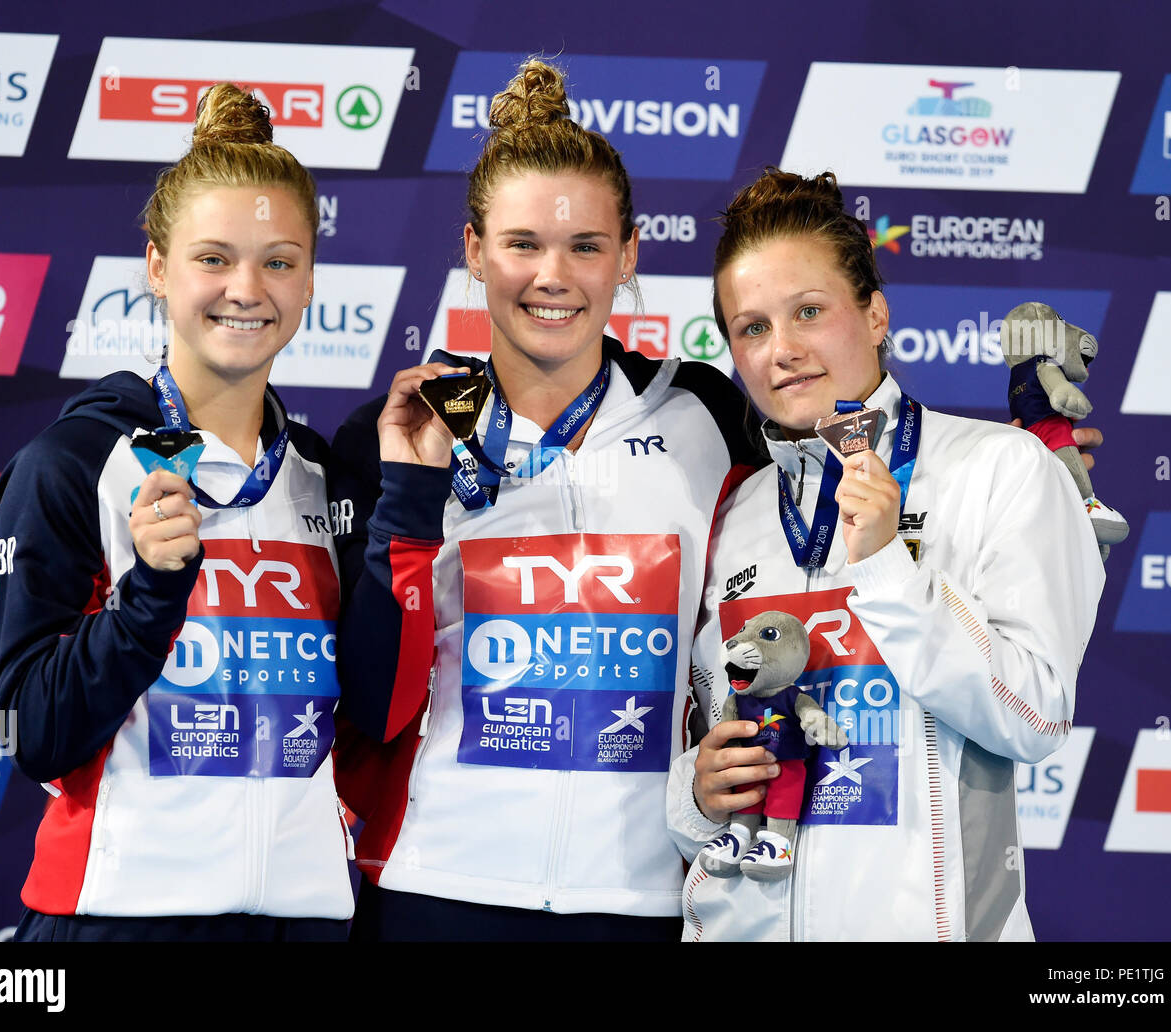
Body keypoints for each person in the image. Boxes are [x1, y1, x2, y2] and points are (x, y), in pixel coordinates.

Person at [332, 59, 762, 941]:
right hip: (435, 889)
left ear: (629, 254)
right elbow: (369, 707)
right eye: (522, 243)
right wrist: (410, 495)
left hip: (641, 898)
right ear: (474, 250)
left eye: (586, 246)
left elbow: (819, 543)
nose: (552, 276)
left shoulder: (704, 413)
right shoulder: (399, 430)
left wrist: (1029, 474)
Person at [665, 169, 1106, 941]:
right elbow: (711, 744)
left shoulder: (999, 468)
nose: (784, 350)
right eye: (753, 327)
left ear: (874, 314)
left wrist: (885, 572)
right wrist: (697, 798)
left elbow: (1036, 715)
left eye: (810, 311)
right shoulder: (737, 513)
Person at [0, 84, 371, 942]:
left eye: (278, 260)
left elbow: (375, 709)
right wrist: (149, 597)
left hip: (301, 919)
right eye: (213, 258)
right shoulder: (74, 462)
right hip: (122, 920)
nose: (246, 288)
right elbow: (29, 734)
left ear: (310, 279)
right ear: (158, 268)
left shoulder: (322, 471)